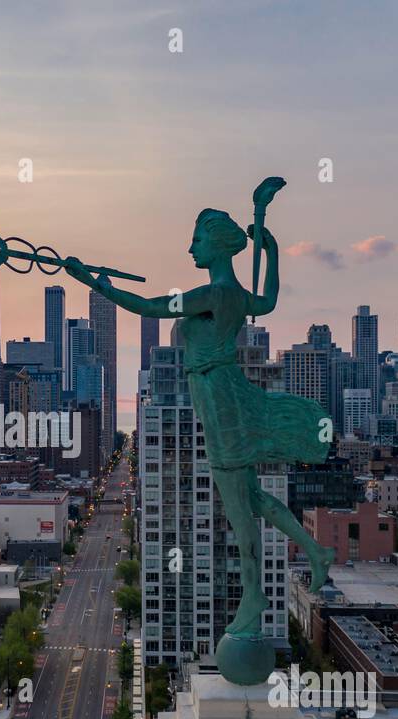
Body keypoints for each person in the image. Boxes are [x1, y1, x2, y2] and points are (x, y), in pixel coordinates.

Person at [64, 208, 335, 647]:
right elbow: (268, 301)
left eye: (197, 241)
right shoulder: (235, 295)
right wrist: (273, 251)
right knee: (249, 497)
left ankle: (253, 595)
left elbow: (149, 305)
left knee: (239, 512)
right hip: (222, 394)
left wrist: (94, 284)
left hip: (219, 402)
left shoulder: (211, 293)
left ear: (217, 245)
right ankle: (314, 550)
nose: (191, 248)